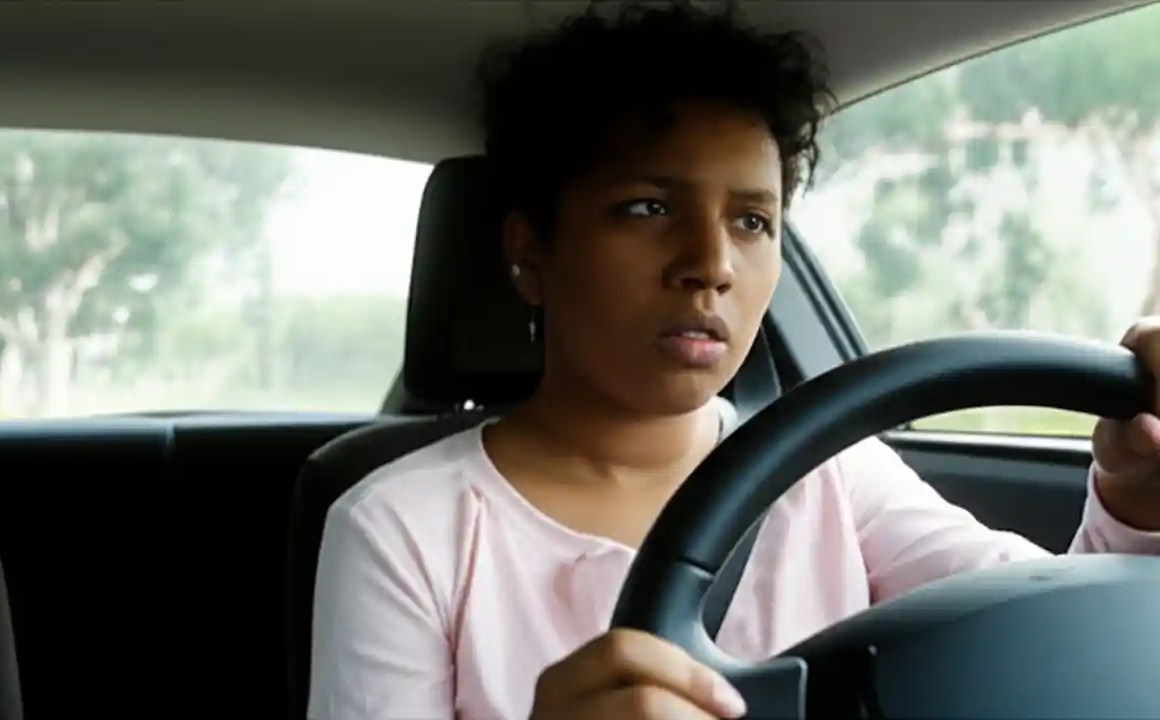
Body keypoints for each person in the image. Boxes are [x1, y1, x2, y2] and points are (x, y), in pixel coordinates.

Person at [307, 4, 1160, 719]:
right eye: (646, 207)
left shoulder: (832, 476)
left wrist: (1133, 497)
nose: (709, 262)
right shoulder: (402, 527)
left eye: (752, 221)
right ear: (531, 253)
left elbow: (1045, 634)